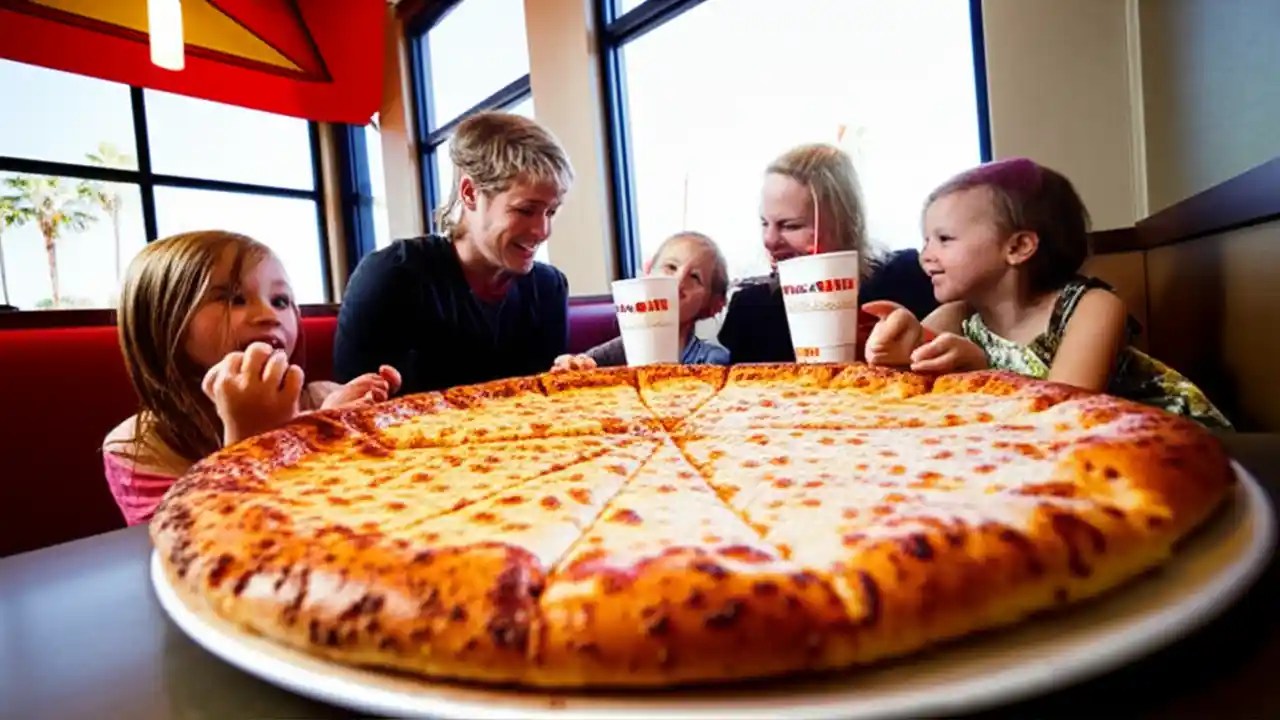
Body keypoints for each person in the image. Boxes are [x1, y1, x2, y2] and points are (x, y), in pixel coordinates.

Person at [865, 157, 1231, 429]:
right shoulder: (956, 316)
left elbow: (1063, 411)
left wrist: (982, 372)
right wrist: (898, 352)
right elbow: (915, 395)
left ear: (1019, 246)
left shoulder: (1092, 308)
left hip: (1167, 441)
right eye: (925, 240)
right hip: (1043, 453)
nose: (926, 254)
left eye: (944, 239)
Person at [103, 231, 400, 525]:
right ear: (159, 321)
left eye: (280, 301)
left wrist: (345, 425)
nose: (268, 314)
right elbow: (200, 548)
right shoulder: (140, 447)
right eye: (235, 298)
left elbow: (374, 505)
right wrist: (250, 442)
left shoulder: (323, 397)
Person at [334, 111, 575, 394]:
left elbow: (546, 405)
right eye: (525, 210)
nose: (543, 230)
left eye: (551, 211)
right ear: (470, 193)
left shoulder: (548, 289)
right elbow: (353, 415)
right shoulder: (392, 277)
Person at [717, 143, 938, 363]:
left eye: (791, 226)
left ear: (845, 222)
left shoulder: (905, 278)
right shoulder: (749, 310)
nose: (769, 240)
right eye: (765, 223)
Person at [552, 231, 731, 370]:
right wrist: (571, 365)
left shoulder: (712, 360)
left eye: (695, 277)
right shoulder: (618, 350)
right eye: (670, 267)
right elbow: (580, 371)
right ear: (648, 272)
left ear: (712, 305)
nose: (678, 280)